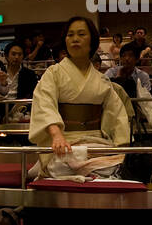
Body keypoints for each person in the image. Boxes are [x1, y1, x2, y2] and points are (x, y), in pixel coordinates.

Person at [28, 15, 132, 176]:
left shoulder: (102, 79)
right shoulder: (53, 73)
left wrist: (121, 146)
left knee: (111, 164)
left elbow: (117, 114)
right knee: (64, 164)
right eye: (70, 35)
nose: (75, 39)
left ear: (92, 41)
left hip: (96, 142)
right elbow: (44, 104)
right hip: (64, 142)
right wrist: (56, 135)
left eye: (81, 34)